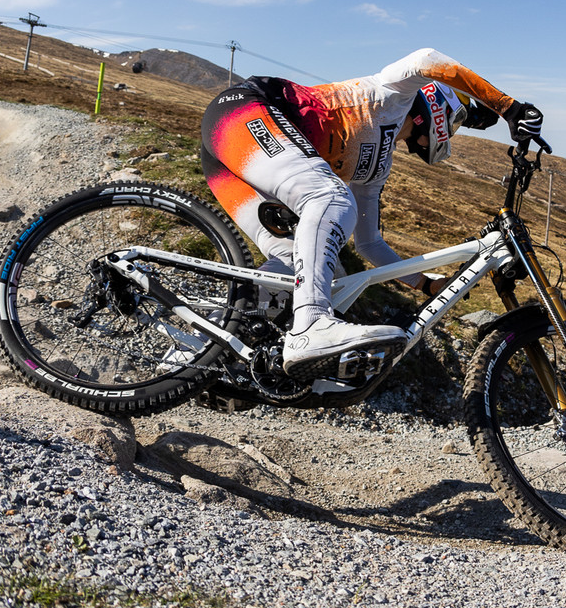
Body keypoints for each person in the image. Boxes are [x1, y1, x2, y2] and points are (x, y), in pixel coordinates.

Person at [199, 48, 543, 378]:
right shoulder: (393, 94)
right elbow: (428, 59)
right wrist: (506, 107)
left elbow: (369, 244)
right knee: (329, 197)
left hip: (230, 154)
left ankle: (198, 354)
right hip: (245, 111)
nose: (448, 137)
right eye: (454, 126)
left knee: (301, 264)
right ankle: (311, 324)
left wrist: (425, 283)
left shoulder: (377, 168)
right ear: (438, 111)